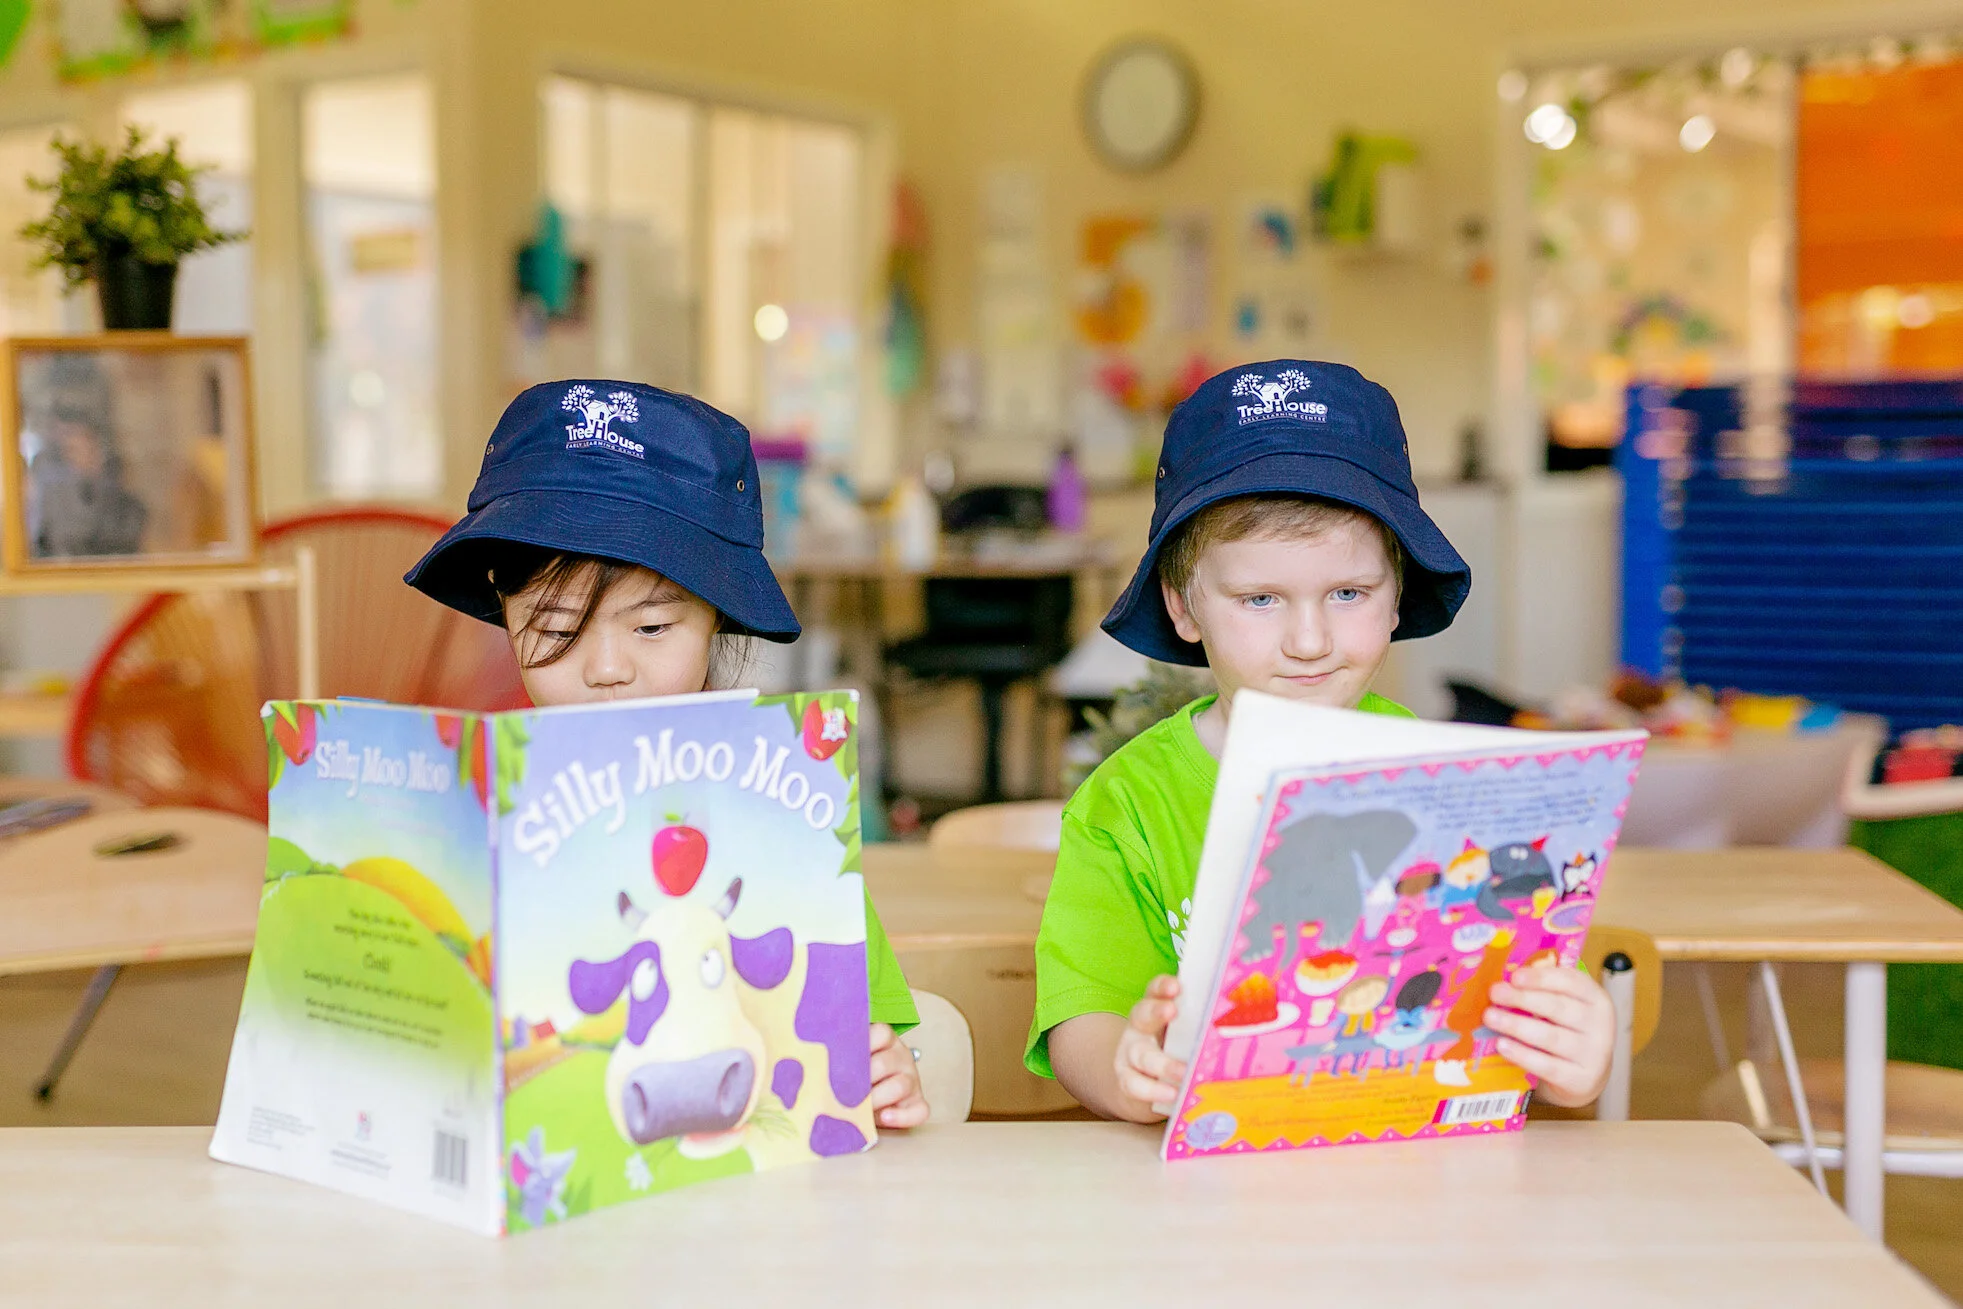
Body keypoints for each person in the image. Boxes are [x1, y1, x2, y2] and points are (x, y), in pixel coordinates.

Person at [1024, 360, 1615, 1122]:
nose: (1308, 639)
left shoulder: (1455, 781)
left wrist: (1575, 1052)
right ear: (1183, 606)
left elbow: (1517, 1000)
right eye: (1259, 597)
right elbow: (1082, 1016)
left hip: (1413, 1193)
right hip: (1197, 1211)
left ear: (1396, 590)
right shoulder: (1125, 804)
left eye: (1347, 593)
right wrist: (1126, 1066)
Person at [405, 379, 928, 1130]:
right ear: (504, 606)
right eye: (554, 627)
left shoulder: (786, 821)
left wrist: (886, 1074)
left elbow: (857, 1045)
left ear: (716, 614)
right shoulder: (470, 824)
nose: (606, 667)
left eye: (650, 628)